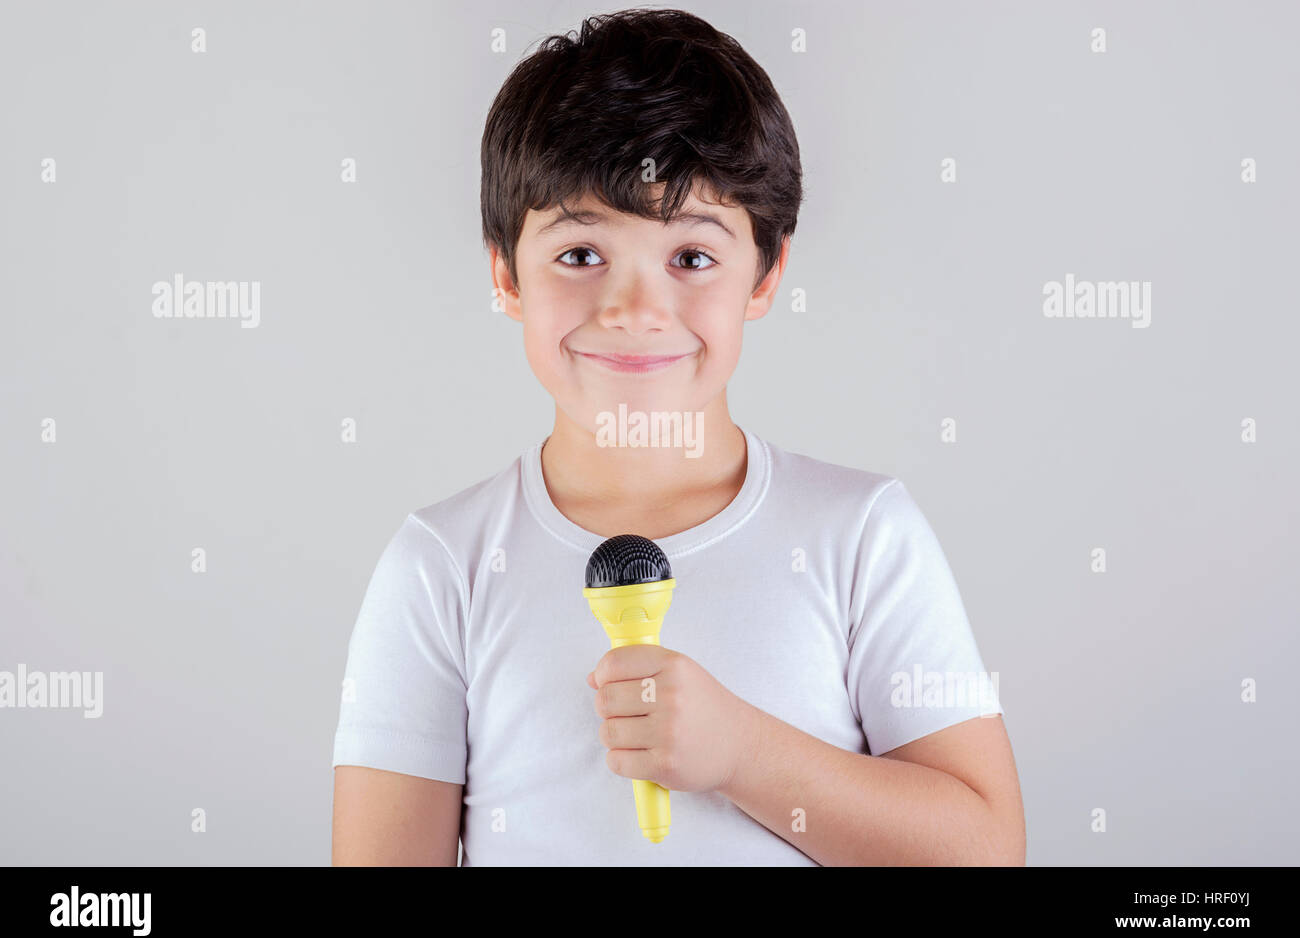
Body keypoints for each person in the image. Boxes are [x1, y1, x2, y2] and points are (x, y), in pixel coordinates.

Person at [332, 7, 1024, 866]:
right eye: (580, 254)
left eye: (691, 258)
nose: (634, 312)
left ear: (766, 274)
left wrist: (740, 753)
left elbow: (985, 849)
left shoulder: (864, 536)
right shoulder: (441, 567)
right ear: (506, 274)